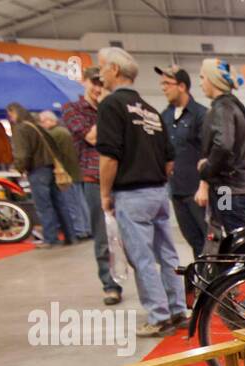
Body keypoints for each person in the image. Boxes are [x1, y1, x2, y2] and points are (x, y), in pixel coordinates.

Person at [94, 46, 187, 338]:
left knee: (142, 257)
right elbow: (169, 158)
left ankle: (158, 316)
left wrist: (105, 193)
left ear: (115, 70)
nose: (99, 75)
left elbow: (109, 156)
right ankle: (177, 309)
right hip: (159, 191)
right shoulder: (150, 110)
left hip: (132, 193)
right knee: (168, 254)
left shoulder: (111, 106)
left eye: (101, 68)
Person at [61, 67, 122, 304]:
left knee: (128, 234)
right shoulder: (73, 110)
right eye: (94, 83)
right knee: (102, 234)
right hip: (93, 179)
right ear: (84, 82)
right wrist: (107, 108)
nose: (98, 89)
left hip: (120, 177)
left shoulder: (110, 105)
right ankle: (110, 284)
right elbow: (93, 137)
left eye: (102, 84)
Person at [195, 58, 245, 234]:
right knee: (236, 239)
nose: (200, 84)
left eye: (202, 77)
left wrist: (206, 169)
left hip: (227, 190)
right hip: (242, 189)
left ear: (213, 79)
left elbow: (223, 145)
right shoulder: (237, 108)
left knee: (233, 242)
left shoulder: (222, 108)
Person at [7, 103, 80, 248]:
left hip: (37, 169)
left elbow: (23, 153)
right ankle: (70, 236)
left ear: (13, 113)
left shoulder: (21, 129)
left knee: (44, 206)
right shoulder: (38, 126)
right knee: (60, 203)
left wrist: (19, 168)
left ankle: (50, 239)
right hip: (52, 169)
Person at [156, 65, 207, 258]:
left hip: (200, 192)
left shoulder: (201, 115)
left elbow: (209, 153)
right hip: (177, 191)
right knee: (192, 239)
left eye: (167, 84)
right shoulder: (164, 117)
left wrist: (205, 186)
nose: (163, 88)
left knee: (209, 238)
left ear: (182, 86)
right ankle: (202, 280)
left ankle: (217, 282)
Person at [37, 109, 91, 239]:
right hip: (75, 171)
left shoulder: (54, 134)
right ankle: (87, 228)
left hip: (66, 174)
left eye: (43, 121)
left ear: (50, 120)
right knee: (81, 203)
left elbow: (53, 155)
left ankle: (79, 230)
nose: (42, 124)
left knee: (71, 204)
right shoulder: (65, 131)